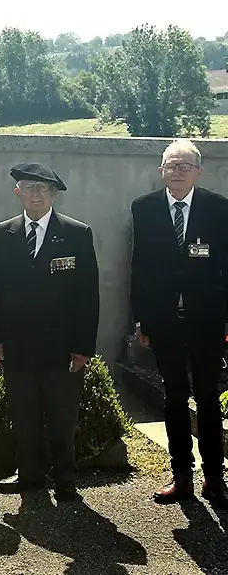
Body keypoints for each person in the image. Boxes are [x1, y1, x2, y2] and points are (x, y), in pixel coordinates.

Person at [0, 163, 99, 502]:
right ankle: (29, 473)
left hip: (61, 347)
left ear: (53, 194)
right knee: (24, 414)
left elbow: (87, 295)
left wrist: (82, 347)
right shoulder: (2, 234)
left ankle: (65, 477)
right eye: (28, 187)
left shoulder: (77, 233)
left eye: (42, 188)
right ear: (17, 192)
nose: (35, 194)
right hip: (18, 345)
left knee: (62, 417)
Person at [131, 139, 228, 509]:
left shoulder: (219, 209)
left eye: (184, 166)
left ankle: (214, 479)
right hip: (164, 322)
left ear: (198, 172)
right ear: (161, 171)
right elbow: (139, 267)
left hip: (207, 322)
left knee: (206, 398)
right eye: (171, 165)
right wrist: (140, 317)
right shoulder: (145, 208)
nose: (177, 171)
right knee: (173, 399)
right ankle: (181, 477)